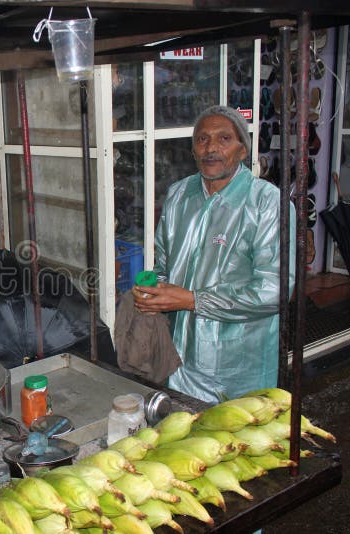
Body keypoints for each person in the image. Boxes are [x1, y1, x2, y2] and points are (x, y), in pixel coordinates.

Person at [133, 105, 296, 403]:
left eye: (224, 139)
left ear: (243, 151)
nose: (211, 148)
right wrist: (153, 290)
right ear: (193, 149)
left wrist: (193, 300)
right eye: (202, 139)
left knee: (237, 441)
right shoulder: (180, 194)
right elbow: (165, 264)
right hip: (180, 356)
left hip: (238, 365)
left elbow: (274, 291)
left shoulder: (266, 203)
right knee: (184, 441)